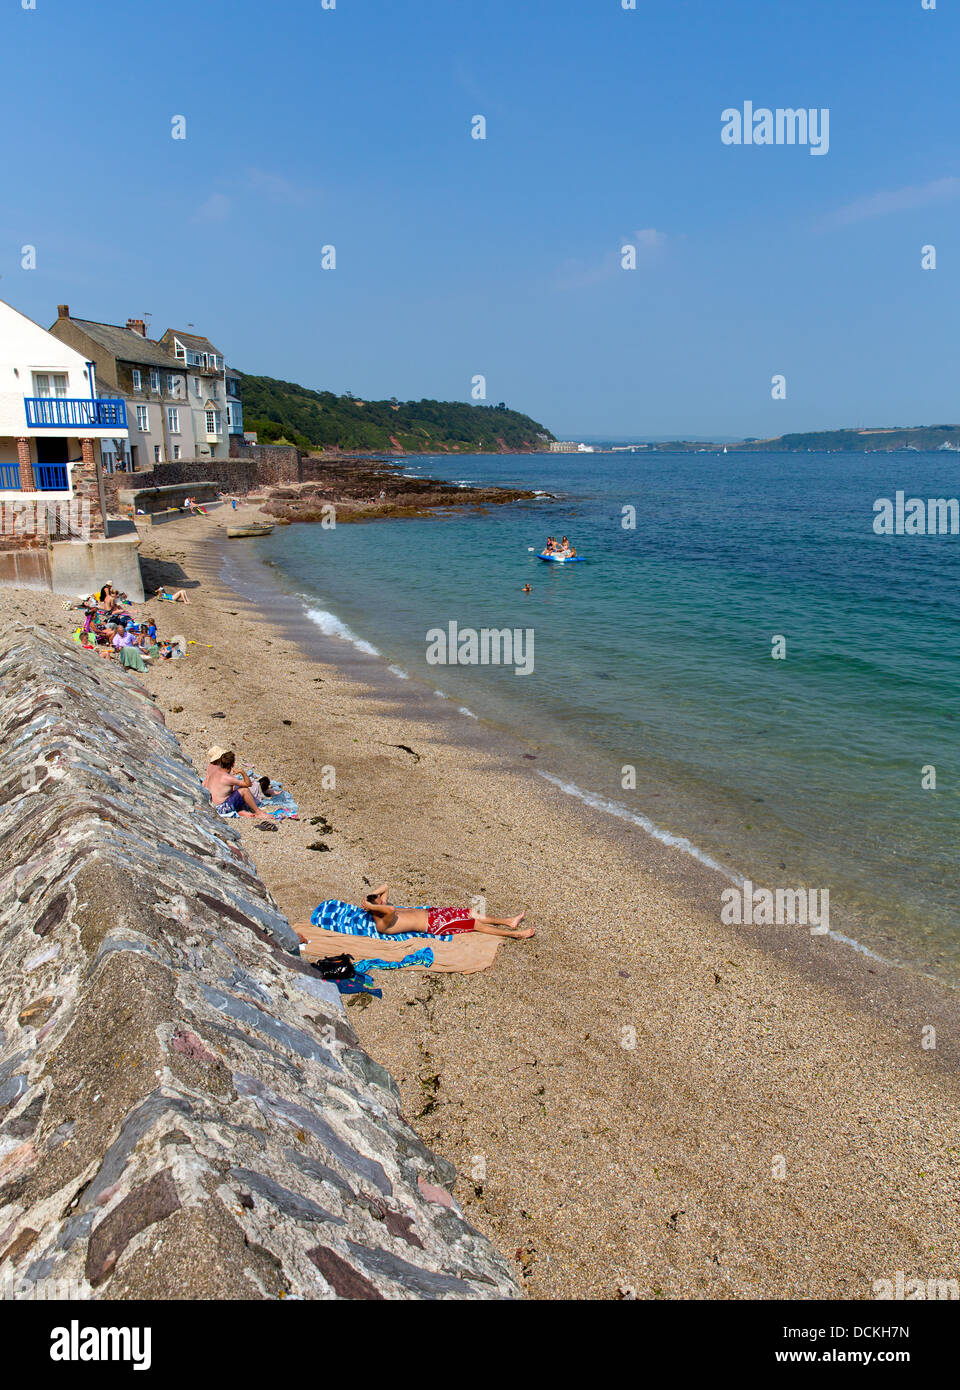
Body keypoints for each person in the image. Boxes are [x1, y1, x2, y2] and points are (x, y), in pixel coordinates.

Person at [361, 885, 533, 938]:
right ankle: (515, 935)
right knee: (473, 924)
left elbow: (385, 886)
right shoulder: (382, 922)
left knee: (471, 912)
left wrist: (370, 900)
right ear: (375, 909)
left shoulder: (382, 910)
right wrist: (372, 906)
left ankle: (508, 921)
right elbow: (389, 907)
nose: (383, 900)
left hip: (434, 913)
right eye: (379, 901)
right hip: (435, 925)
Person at [202, 747, 275, 823]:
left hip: (211, 803)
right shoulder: (228, 778)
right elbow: (248, 784)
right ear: (233, 764)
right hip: (220, 808)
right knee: (244, 790)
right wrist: (242, 772)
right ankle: (258, 812)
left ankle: (240, 811)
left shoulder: (215, 770)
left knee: (236, 790)